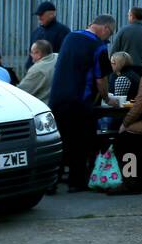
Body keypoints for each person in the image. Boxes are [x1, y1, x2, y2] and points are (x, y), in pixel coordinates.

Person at [47, 14, 116, 192]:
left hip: (57, 97)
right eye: (110, 34)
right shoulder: (98, 47)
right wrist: (107, 98)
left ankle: (51, 182)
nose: (108, 38)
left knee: (60, 141)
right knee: (80, 142)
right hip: (79, 100)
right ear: (106, 28)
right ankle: (76, 182)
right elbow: (101, 79)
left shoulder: (70, 37)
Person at [115, 78, 142, 193]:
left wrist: (125, 123)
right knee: (136, 139)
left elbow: (141, 104)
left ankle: (131, 181)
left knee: (123, 139)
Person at [27, 1, 71, 68]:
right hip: (36, 71)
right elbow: (31, 55)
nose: (39, 17)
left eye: (41, 14)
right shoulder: (36, 32)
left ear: (52, 14)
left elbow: (65, 55)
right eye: (38, 15)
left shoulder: (63, 31)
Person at [115, 7, 142, 74]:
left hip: (125, 71)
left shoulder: (122, 31)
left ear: (132, 16)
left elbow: (114, 52)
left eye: (128, 15)